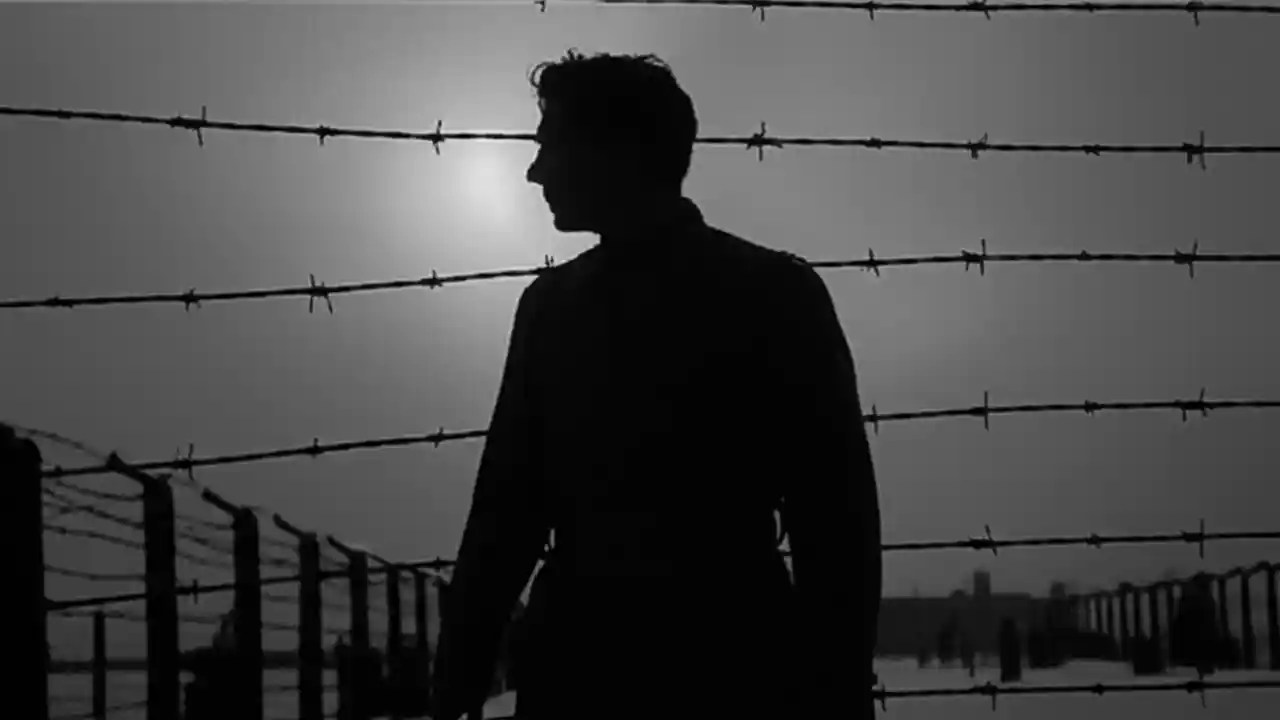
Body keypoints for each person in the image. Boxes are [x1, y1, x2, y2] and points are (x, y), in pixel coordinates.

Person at [430, 49, 882, 720]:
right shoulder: (775, 292)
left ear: (616, 151)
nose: (534, 171)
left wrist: (458, 677)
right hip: (737, 664)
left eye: (552, 144)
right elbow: (836, 521)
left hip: (586, 671)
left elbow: (506, 513)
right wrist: (838, 687)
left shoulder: (553, 310)